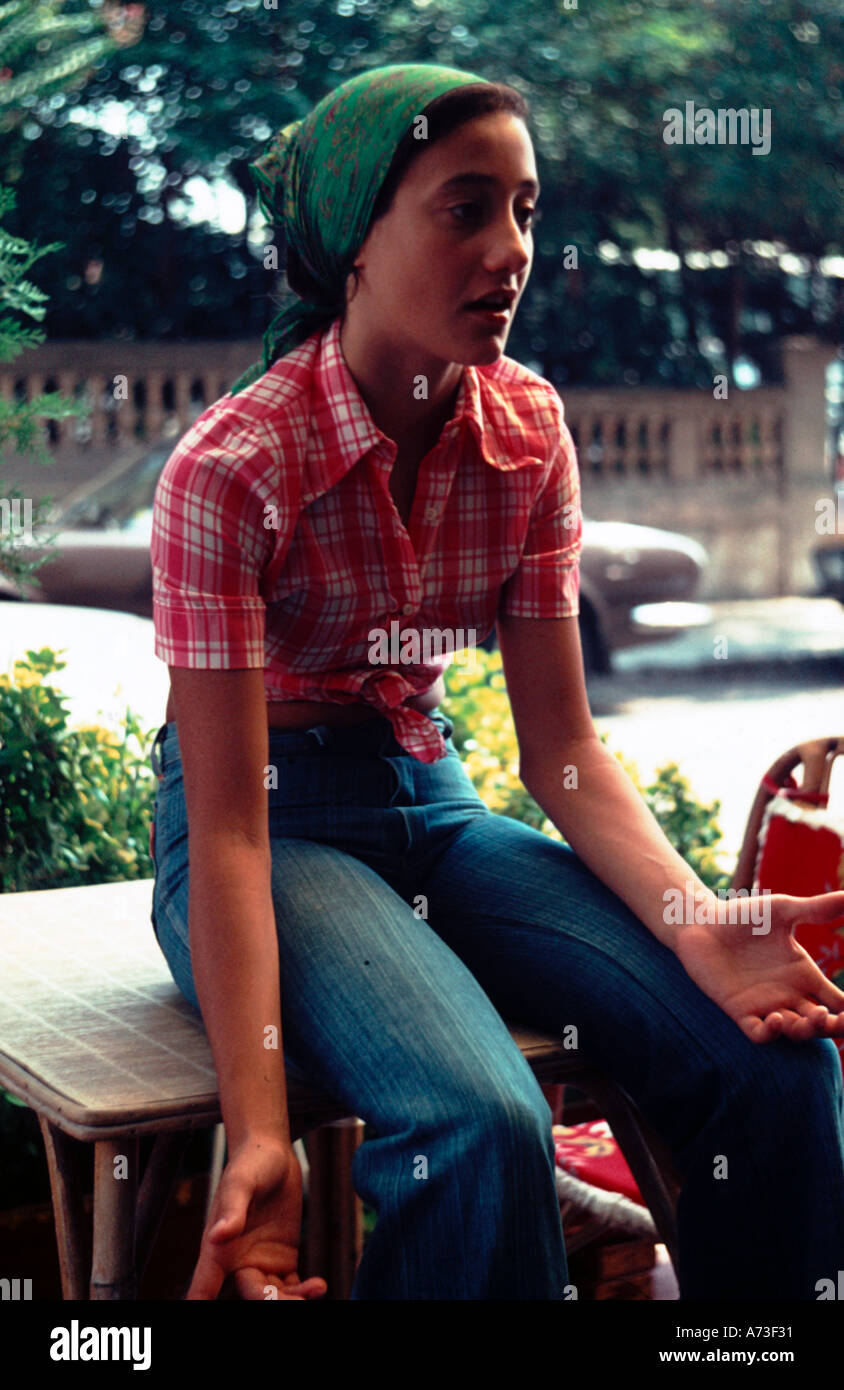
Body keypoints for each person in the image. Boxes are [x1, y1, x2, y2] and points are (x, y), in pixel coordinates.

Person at [148, 63, 844, 1302]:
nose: (510, 248)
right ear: (354, 240)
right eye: (464, 208)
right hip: (269, 832)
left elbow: (563, 750)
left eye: (524, 210)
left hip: (434, 804)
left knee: (774, 1064)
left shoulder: (527, 431)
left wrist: (699, 927)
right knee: (477, 1123)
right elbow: (233, 827)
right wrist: (259, 1135)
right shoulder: (234, 467)